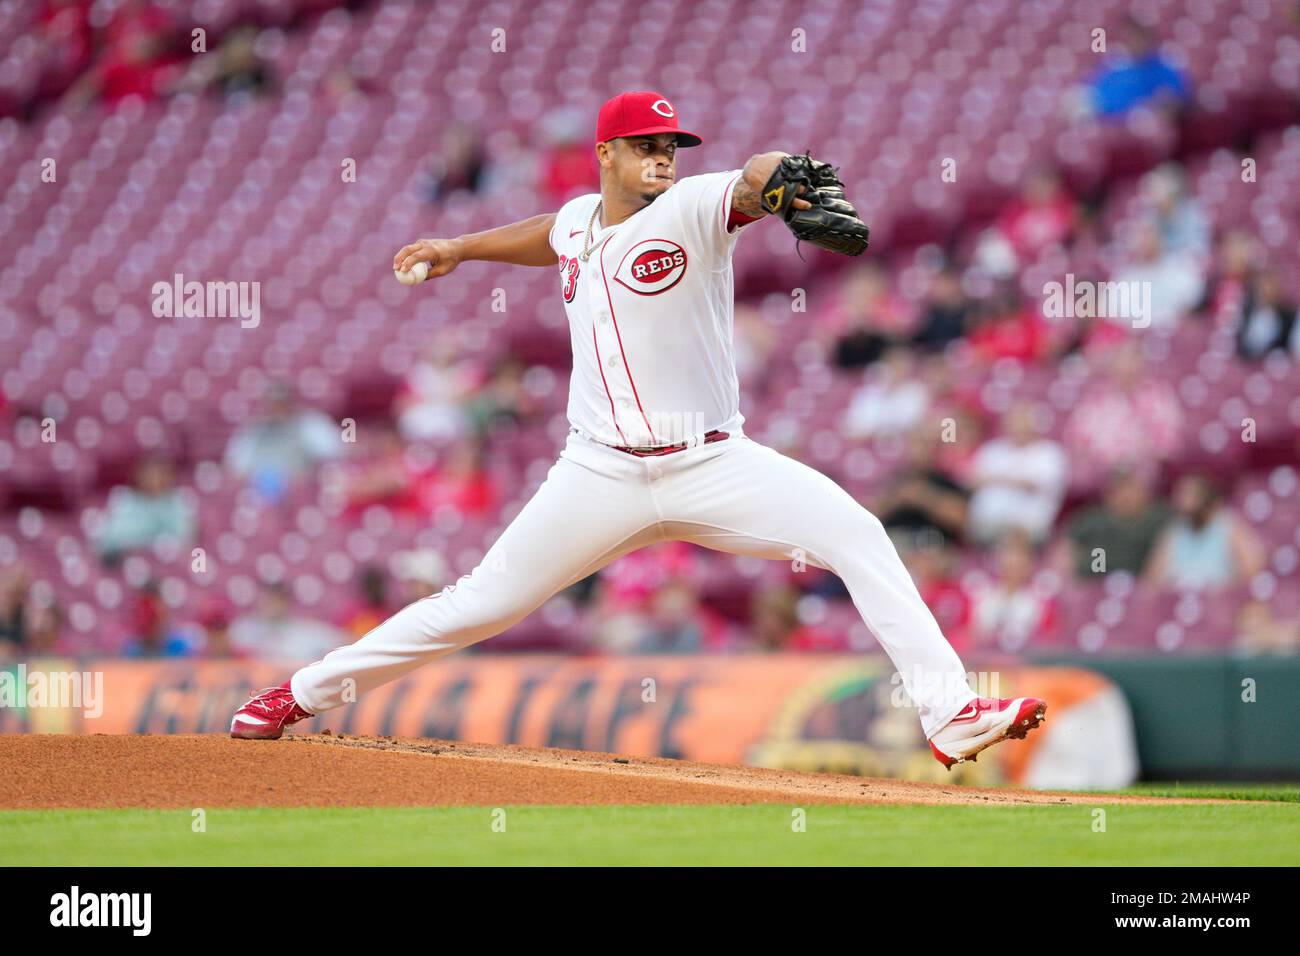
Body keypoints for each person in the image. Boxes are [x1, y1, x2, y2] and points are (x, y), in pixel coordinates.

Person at [231, 90, 1045, 771]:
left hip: (713, 464)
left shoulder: (690, 208)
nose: (663, 156)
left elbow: (750, 179)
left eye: (671, 143)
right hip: (599, 475)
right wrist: (459, 247)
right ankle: (296, 694)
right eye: (645, 144)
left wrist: (778, 182)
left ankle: (950, 715)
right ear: (605, 155)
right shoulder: (579, 220)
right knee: (477, 604)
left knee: (860, 532)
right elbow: (548, 232)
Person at [967, 404, 1069, 546]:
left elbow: (1035, 485)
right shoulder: (992, 450)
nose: (1018, 429)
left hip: (1028, 527)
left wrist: (997, 479)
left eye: (1023, 424)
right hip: (987, 524)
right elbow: (972, 481)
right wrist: (1012, 481)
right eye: (1014, 423)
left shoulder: (1049, 452)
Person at [1145, 473, 1265, 590]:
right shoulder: (1173, 531)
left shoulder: (1230, 526)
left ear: (1207, 497)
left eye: (1189, 495)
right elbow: (1152, 581)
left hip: (1218, 600)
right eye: (1181, 495)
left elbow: (1253, 573)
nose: (1181, 501)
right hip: (1178, 599)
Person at [1059, 467, 1170, 579]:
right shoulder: (1092, 520)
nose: (1126, 496)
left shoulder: (1158, 520)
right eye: (1120, 489)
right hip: (1093, 582)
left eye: (1131, 489)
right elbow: (1066, 550)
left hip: (1136, 585)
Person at [94, 456, 195, 564]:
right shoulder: (125, 500)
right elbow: (113, 538)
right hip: (127, 563)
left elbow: (183, 538)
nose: (153, 479)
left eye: (158, 474)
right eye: (149, 474)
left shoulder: (176, 502)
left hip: (166, 565)